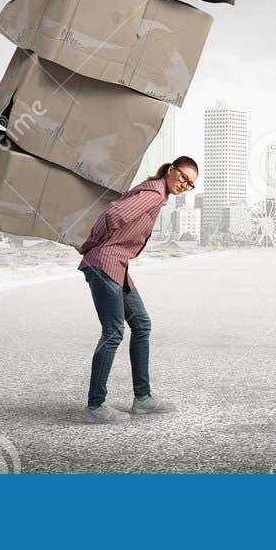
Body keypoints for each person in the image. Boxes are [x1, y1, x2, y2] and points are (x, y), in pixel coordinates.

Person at [74, 155, 198, 423]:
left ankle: (143, 399)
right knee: (113, 331)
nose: (184, 184)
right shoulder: (154, 194)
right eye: (183, 177)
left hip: (118, 266)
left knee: (141, 324)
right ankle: (95, 406)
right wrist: (89, 244)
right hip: (104, 262)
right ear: (172, 170)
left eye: (190, 184)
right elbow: (114, 213)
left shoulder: (157, 193)